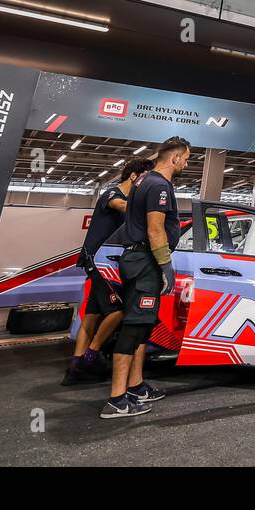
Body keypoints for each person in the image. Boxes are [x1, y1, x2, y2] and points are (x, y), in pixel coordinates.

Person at [101, 136, 191, 419]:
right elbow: (155, 229)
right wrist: (165, 265)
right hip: (145, 264)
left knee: (140, 326)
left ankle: (134, 387)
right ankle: (116, 400)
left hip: (138, 261)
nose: (186, 164)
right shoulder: (159, 185)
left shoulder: (144, 182)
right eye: (186, 158)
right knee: (132, 328)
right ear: (175, 158)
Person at [64, 158, 152, 384]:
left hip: (106, 265)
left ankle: (76, 367)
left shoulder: (128, 198)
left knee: (92, 314)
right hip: (99, 263)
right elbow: (121, 206)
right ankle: (91, 356)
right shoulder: (112, 195)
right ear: (133, 176)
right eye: (146, 177)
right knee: (120, 309)